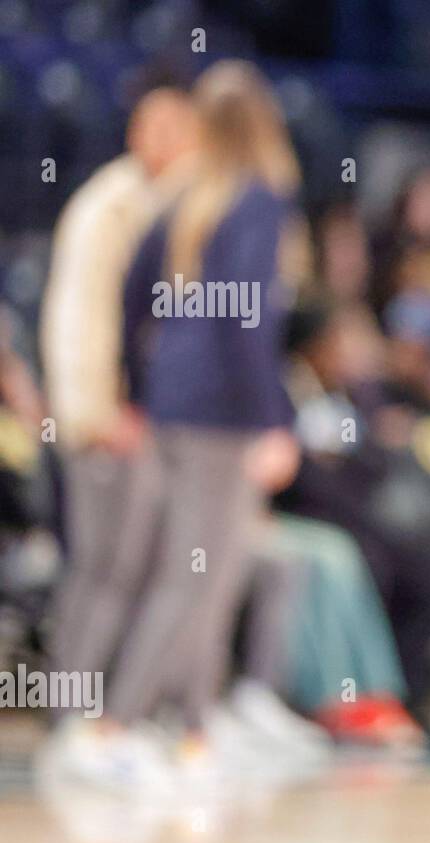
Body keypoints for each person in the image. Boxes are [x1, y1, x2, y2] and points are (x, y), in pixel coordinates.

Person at [99, 60, 304, 784]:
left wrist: (136, 385)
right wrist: (276, 419)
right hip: (221, 410)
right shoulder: (258, 199)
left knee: (202, 574)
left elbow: (131, 297)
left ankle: (193, 729)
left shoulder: (183, 197)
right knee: (196, 578)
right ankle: (114, 727)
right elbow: (247, 325)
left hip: (172, 403)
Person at [39, 86, 197, 696]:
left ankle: (106, 721)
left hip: (137, 419)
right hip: (101, 422)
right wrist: (98, 414)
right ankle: (70, 718)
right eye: (158, 129)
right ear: (137, 133)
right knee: (102, 573)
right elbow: (80, 319)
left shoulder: (160, 203)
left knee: (134, 573)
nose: (172, 144)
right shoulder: (110, 206)